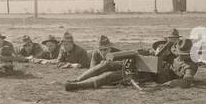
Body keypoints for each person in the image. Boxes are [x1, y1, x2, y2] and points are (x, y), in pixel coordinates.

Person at [64, 34, 199, 91]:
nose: (177, 54)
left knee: (110, 76)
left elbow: (187, 81)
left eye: (181, 54)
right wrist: (150, 52)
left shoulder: (190, 66)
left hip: (151, 74)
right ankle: (76, 80)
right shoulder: (173, 54)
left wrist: (165, 85)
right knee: (106, 64)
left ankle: (78, 86)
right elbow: (155, 53)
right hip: (147, 63)